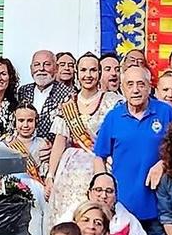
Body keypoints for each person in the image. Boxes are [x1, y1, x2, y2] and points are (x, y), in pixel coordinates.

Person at [92, 64, 172, 233]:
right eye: (130, 84)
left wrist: (163, 163)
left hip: (159, 207)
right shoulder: (113, 117)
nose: (136, 90)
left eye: (141, 84)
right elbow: (99, 156)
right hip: (122, 209)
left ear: (150, 87)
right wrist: (102, 189)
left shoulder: (165, 112)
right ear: (123, 88)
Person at [46, 54, 123, 224]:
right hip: (70, 168)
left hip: (103, 163)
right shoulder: (68, 103)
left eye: (93, 70)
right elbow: (60, 140)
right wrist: (51, 175)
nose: (88, 75)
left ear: (100, 72)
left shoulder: (114, 101)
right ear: (76, 72)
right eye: (83, 70)